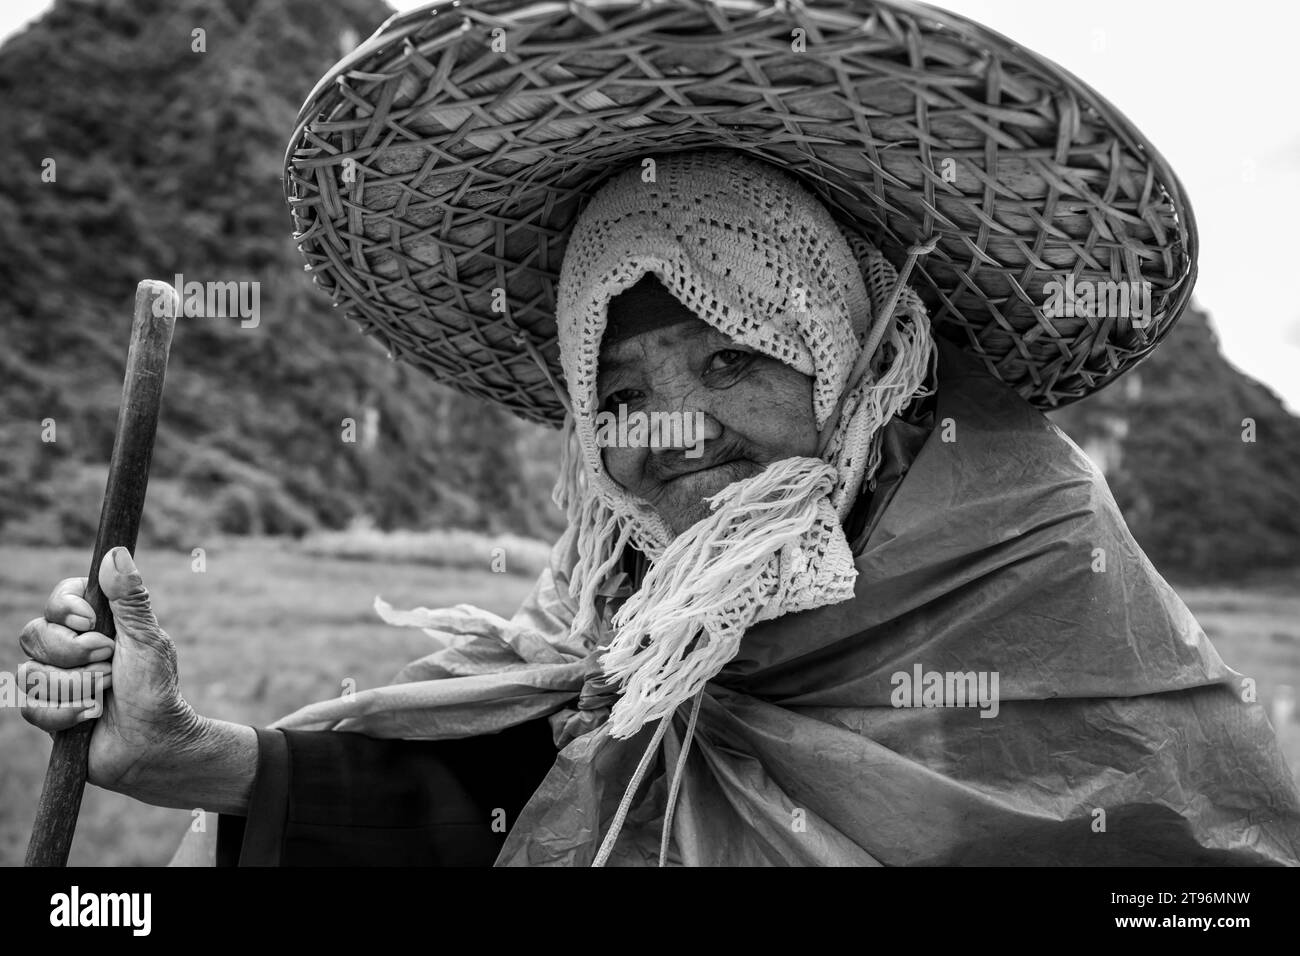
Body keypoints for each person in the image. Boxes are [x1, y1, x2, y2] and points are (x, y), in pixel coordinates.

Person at [18, 1, 1300, 866]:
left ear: (858, 364)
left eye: (734, 353)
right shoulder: (635, 607)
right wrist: (197, 761)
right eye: (619, 394)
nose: (672, 430)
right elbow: (525, 789)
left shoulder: (1025, 550)